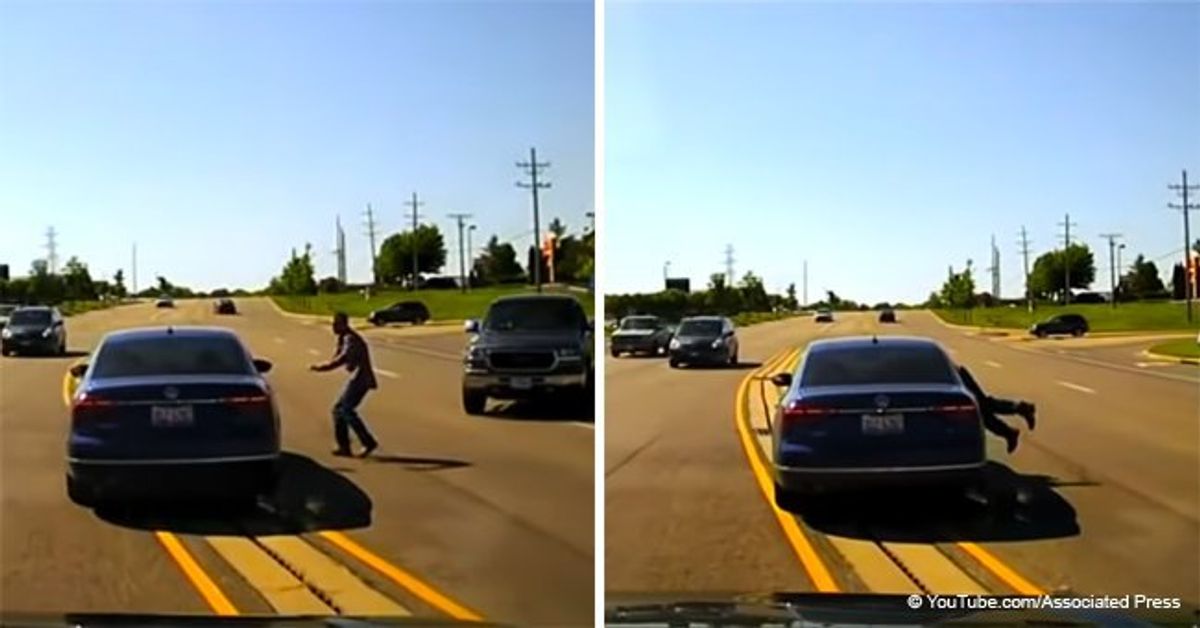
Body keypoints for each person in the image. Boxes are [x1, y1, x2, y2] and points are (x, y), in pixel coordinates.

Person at [310, 311, 379, 457]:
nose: (333, 327)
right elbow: (338, 356)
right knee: (338, 410)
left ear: (343, 324)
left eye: (336, 324)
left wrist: (322, 367)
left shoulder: (351, 339)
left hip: (361, 379)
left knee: (346, 410)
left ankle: (368, 442)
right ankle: (344, 447)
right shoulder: (345, 338)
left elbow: (342, 358)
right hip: (358, 378)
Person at [957, 365, 1036, 454]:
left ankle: (1021, 411)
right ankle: (1010, 429)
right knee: (981, 411)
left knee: (982, 407)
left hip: (954, 378)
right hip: (952, 377)